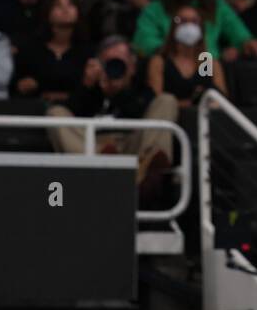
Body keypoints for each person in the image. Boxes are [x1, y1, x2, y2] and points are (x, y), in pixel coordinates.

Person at [47, 35, 181, 202]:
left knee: (167, 100)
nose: (114, 68)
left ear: (132, 66)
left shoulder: (141, 89)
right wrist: (87, 86)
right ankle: (102, 162)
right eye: (109, 63)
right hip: (93, 145)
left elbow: (139, 111)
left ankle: (147, 165)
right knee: (55, 113)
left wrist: (118, 93)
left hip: (133, 146)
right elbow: (71, 112)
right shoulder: (90, 90)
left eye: (120, 63)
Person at [12, 0, 91, 104]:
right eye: (58, 5)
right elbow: (17, 87)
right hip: (37, 111)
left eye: (70, 4)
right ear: (48, 13)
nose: (65, 9)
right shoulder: (31, 50)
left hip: (78, 112)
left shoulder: (87, 51)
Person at [147, 3, 229, 106]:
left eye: (194, 21)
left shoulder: (208, 63)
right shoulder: (160, 62)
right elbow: (156, 101)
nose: (189, 26)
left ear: (201, 28)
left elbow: (222, 100)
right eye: (183, 21)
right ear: (173, 27)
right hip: (170, 118)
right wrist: (189, 103)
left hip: (200, 117)